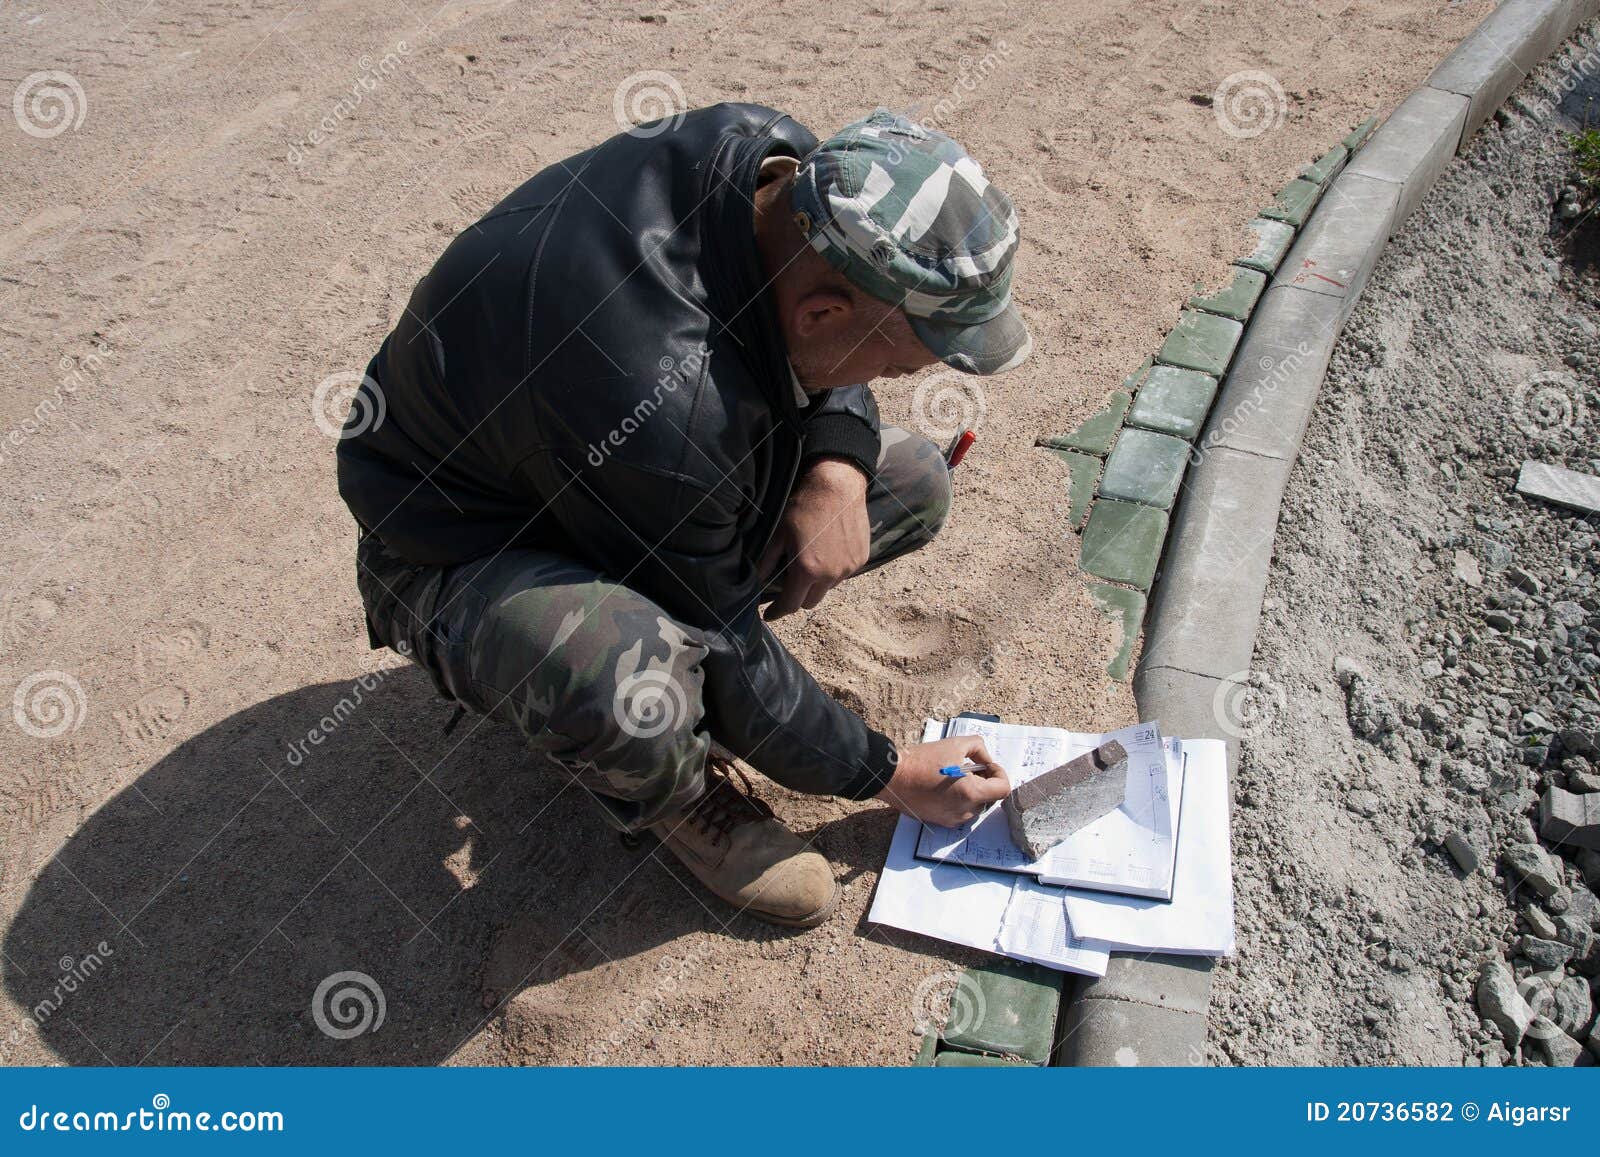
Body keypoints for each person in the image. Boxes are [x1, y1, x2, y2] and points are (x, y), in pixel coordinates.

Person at [336, 104, 1031, 928]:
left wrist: (838, 461)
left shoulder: (777, 163)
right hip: (452, 547)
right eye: (900, 360)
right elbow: (728, 643)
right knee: (623, 674)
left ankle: (666, 615)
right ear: (822, 316)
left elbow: (820, 309)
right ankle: (672, 788)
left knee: (908, 478)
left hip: (594, 463)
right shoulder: (661, 405)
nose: (892, 378)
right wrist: (889, 769)